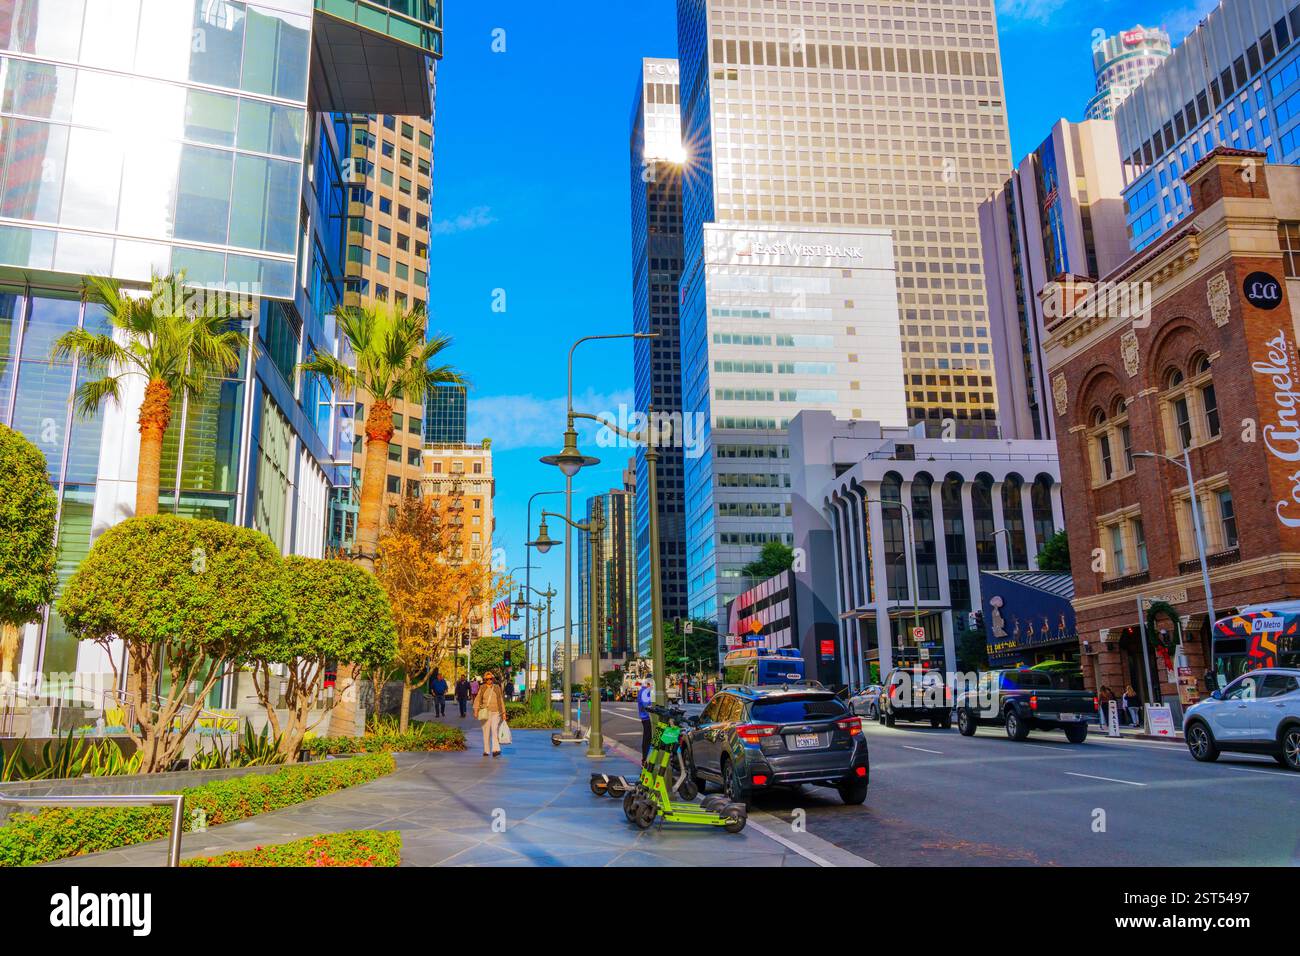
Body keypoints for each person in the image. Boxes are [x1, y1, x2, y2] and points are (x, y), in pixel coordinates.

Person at [472, 671, 508, 757]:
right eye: (487, 679)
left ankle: (496, 749)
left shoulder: (497, 687)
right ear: (485, 679)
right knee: (486, 732)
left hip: (496, 712)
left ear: (493, 679)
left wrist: (503, 712)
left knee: (494, 730)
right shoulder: (482, 687)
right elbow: (477, 699)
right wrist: (476, 710)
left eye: (490, 679)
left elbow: (501, 700)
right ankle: (486, 750)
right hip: (485, 713)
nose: (489, 680)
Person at [637, 680, 654, 763]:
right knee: (648, 738)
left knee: (647, 738)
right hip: (648, 718)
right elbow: (647, 705)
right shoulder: (644, 691)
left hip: (646, 717)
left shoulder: (644, 691)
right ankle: (646, 759)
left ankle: (646, 758)